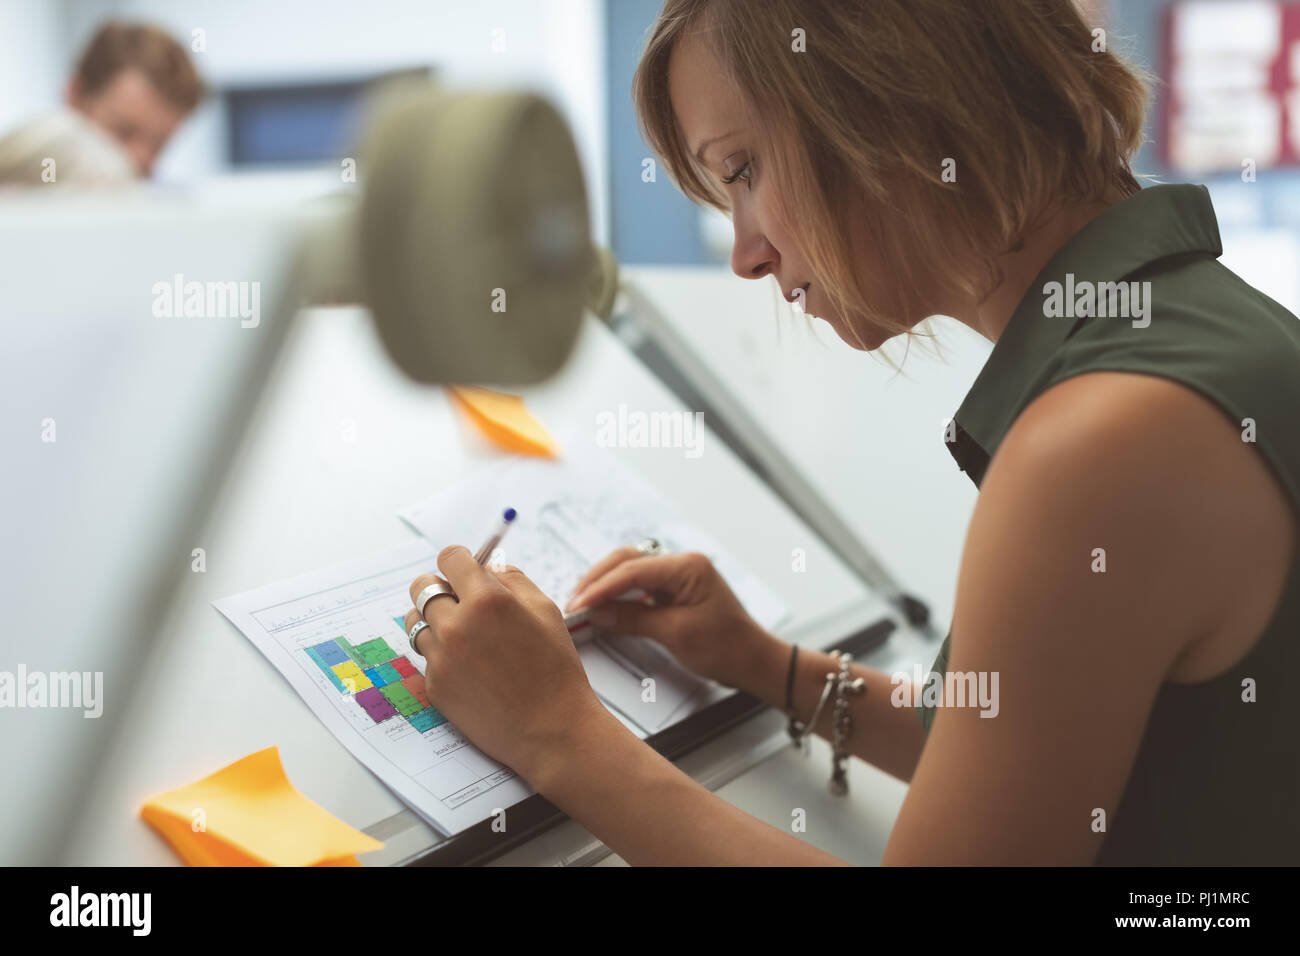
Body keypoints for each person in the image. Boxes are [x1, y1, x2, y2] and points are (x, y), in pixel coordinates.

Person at [403, 0, 1300, 865]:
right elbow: (1011, 762)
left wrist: (558, 735)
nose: (747, 251)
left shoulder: (1102, 441)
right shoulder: (1200, 334)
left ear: (891, 102)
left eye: (743, 170)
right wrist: (762, 662)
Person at [0, 21, 203, 187]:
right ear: (75, 93)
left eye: (159, 145)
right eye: (124, 131)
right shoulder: (54, 139)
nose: (140, 159)